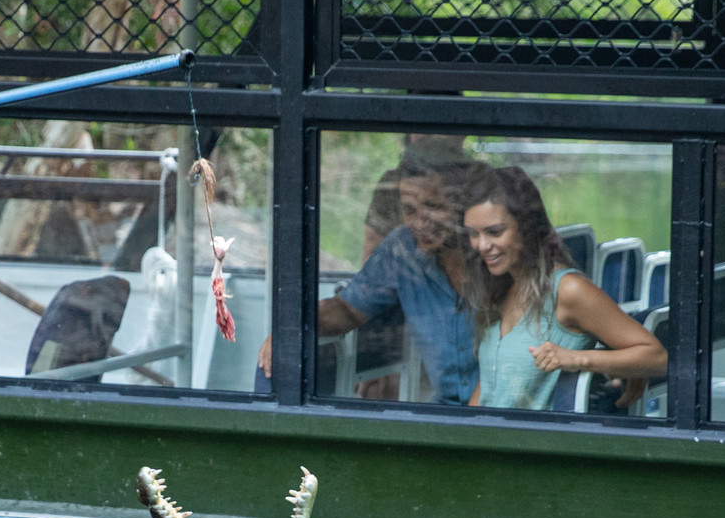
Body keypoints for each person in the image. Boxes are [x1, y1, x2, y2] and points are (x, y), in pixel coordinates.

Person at [259, 149, 481, 403]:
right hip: (443, 414)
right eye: (410, 209)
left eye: (433, 206)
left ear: (463, 204)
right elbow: (347, 309)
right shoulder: (402, 249)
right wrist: (293, 328)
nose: (421, 222)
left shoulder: (490, 254)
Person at [460, 165, 666, 410]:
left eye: (494, 232)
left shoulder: (568, 290)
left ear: (526, 227)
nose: (482, 245)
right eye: (474, 234)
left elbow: (658, 358)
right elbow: (488, 387)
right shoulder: (499, 286)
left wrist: (576, 359)